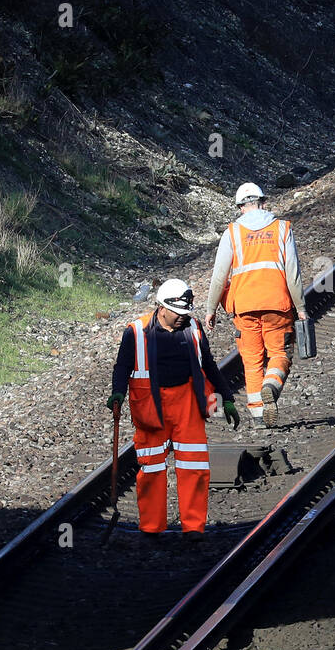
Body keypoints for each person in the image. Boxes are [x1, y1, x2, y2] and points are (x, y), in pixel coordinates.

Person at [109, 279, 240, 539]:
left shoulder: (194, 328)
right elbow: (122, 366)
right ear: (162, 308)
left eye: (186, 313)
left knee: (194, 466)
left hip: (187, 405)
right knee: (151, 467)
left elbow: (210, 365)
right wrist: (118, 392)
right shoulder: (135, 331)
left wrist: (226, 397)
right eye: (178, 314)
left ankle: (193, 527)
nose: (182, 318)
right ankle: (152, 527)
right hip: (150, 408)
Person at [205, 182, 306, 427]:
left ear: (241, 208)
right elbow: (292, 273)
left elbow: (219, 276)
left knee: (251, 360)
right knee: (280, 353)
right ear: (263, 202)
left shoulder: (232, 232)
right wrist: (301, 307)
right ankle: (271, 384)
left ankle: (259, 416)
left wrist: (211, 309)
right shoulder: (282, 229)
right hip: (277, 305)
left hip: (244, 308)